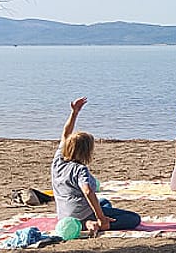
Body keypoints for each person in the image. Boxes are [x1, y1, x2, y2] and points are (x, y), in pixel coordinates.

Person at [52, 97, 141, 234]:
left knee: (104, 202)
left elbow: (65, 134)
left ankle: (87, 222)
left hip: (64, 215)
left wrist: (74, 113)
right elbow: (88, 191)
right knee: (134, 219)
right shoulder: (80, 170)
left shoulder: (58, 161)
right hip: (81, 214)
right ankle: (93, 224)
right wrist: (101, 218)